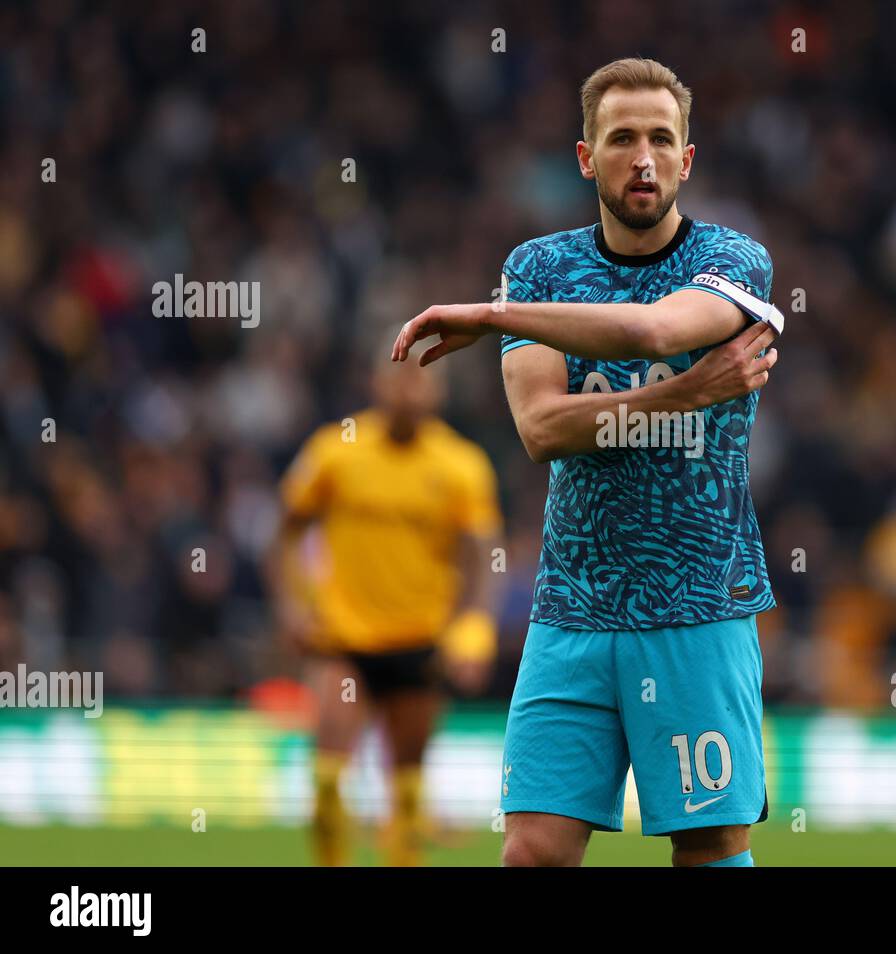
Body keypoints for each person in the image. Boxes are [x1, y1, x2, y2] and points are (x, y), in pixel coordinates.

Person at [391, 57, 782, 867]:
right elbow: (541, 428)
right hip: (572, 606)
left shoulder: (735, 260)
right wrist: (686, 395)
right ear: (584, 156)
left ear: (687, 159)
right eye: (622, 138)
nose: (643, 157)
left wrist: (491, 316)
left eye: (661, 139)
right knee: (530, 852)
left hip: (698, 602)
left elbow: (652, 334)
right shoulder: (540, 269)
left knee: (710, 845)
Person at [269, 348, 503, 866]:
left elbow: (484, 556)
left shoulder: (460, 465)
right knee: (327, 779)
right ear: (376, 383)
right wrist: (291, 607)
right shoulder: (335, 450)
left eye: (421, 382)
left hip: (419, 640)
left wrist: (475, 626)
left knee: (407, 788)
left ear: (439, 392)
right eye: (398, 379)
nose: (408, 391)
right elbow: (286, 530)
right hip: (344, 640)